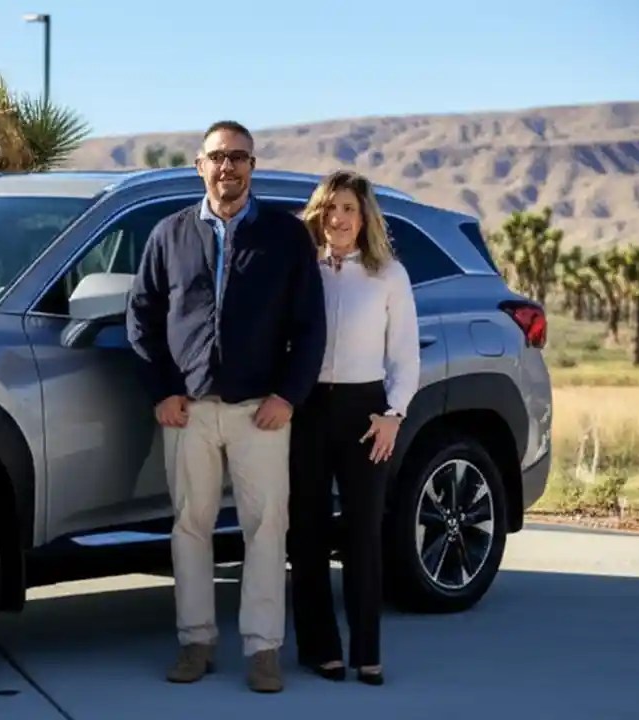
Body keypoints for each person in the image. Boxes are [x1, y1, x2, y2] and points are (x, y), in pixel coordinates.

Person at [126, 120, 326, 693]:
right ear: (200, 165)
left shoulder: (286, 237)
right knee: (190, 526)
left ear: (252, 166)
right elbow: (141, 316)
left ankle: (263, 651)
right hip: (187, 411)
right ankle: (195, 642)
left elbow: (311, 324)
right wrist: (160, 390)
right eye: (217, 157)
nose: (227, 167)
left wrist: (288, 395)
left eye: (239, 157)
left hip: (260, 411)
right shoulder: (169, 234)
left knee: (267, 529)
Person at [288, 169, 420, 687]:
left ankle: (367, 650)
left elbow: (404, 356)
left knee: (364, 534)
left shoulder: (388, 275)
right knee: (308, 533)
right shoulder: (304, 270)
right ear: (318, 215)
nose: (338, 218)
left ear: (364, 217)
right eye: (330, 208)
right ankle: (320, 649)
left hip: (367, 413)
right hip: (309, 409)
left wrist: (394, 414)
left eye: (348, 209)